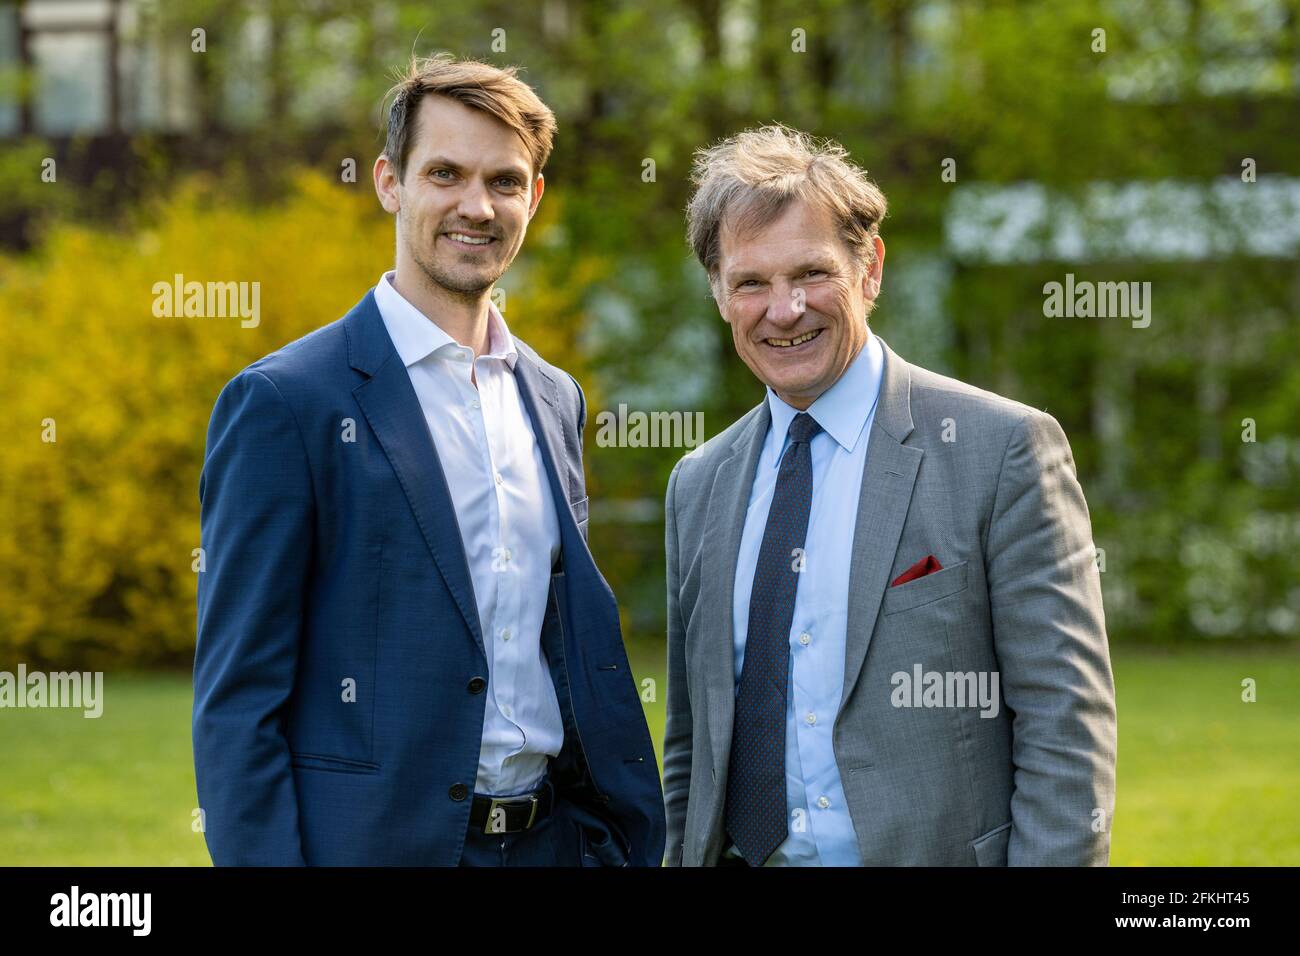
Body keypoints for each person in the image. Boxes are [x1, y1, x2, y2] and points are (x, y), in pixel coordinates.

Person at [193, 53, 664, 866]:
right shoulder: (287, 403)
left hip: (553, 846)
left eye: (505, 181)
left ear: (535, 198)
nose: (476, 207)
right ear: (389, 182)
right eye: (444, 173)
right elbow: (238, 703)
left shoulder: (554, 399)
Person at [662, 124, 1116, 866]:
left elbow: (1064, 727)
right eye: (751, 282)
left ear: (869, 268)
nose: (784, 310)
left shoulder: (1000, 451)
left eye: (811, 273)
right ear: (720, 295)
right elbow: (692, 744)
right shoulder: (698, 484)